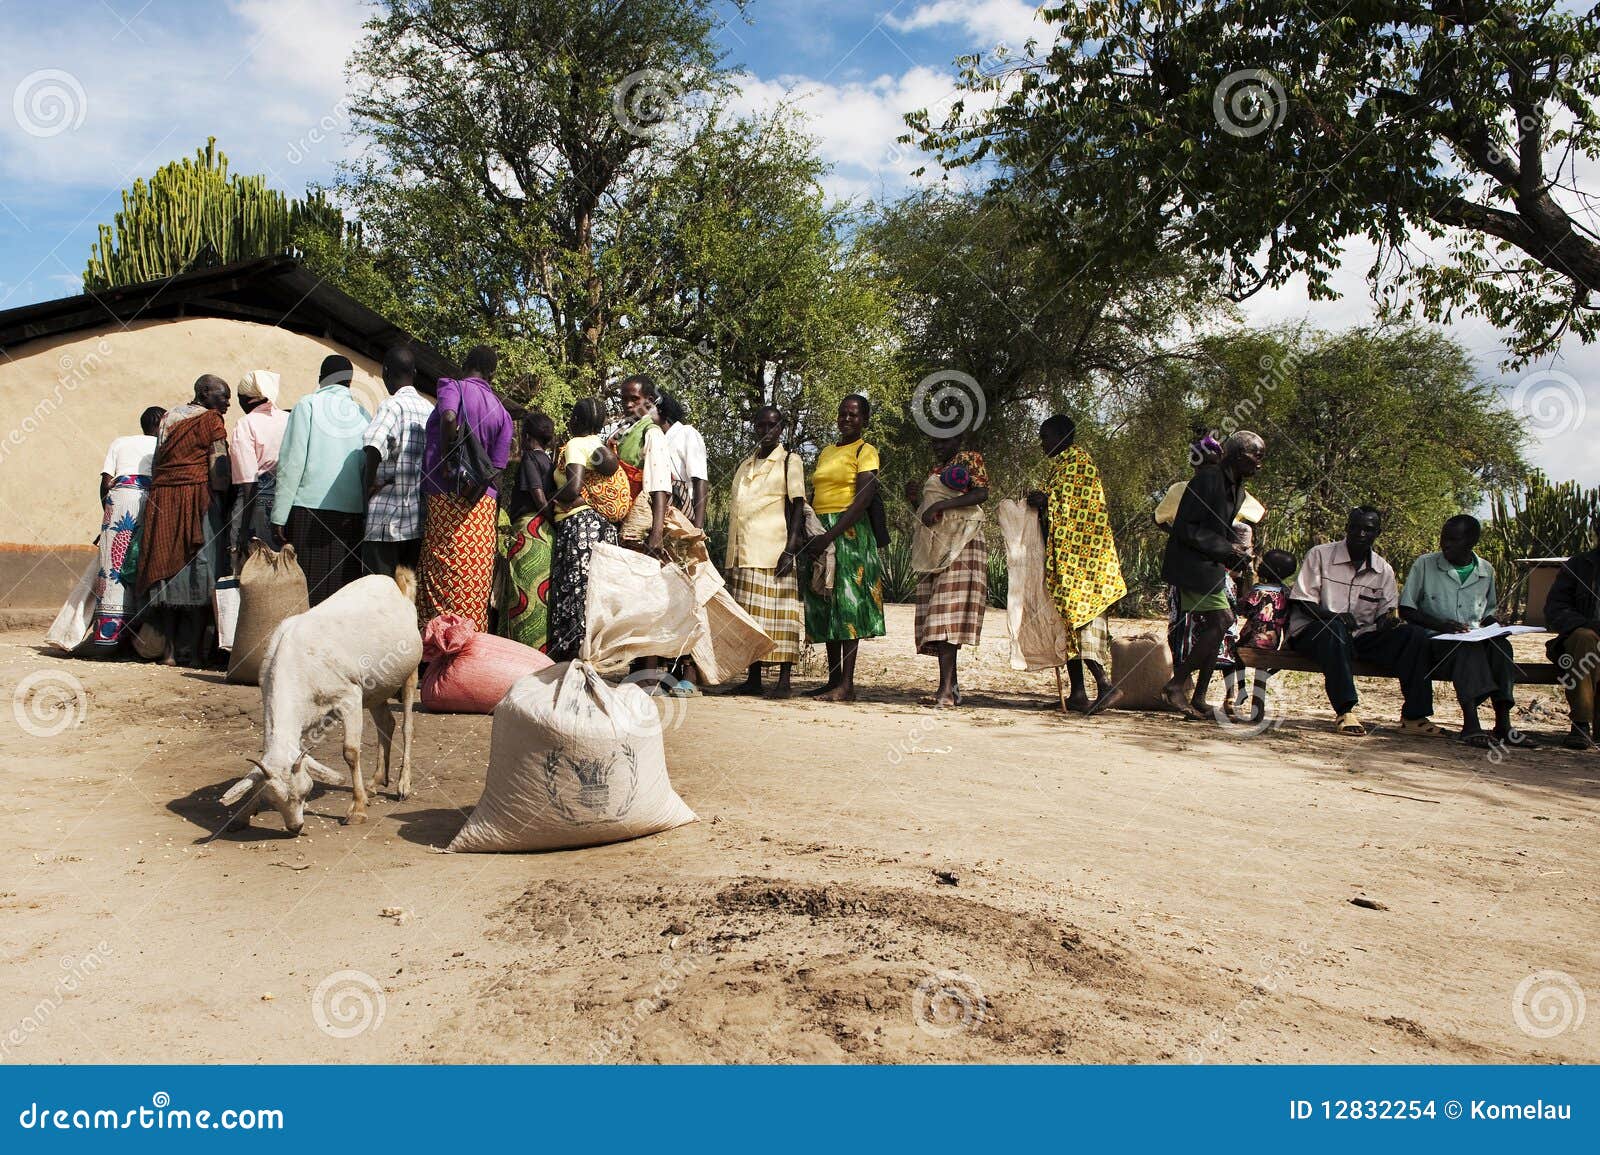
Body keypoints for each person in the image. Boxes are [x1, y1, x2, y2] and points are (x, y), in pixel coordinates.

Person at [1288, 506, 1440, 736]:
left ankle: (1414, 716)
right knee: (1334, 629)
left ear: (1377, 533)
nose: (1361, 534)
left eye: (1368, 530)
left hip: (1359, 638)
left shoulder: (1383, 570)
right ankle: (1345, 710)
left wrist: (1388, 622)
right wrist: (1333, 616)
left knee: (1415, 635)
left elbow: (1385, 613)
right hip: (1316, 633)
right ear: (1347, 528)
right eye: (1355, 528)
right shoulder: (1320, 554)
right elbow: (1302, 602)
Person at [1401, 515, 1535, 749]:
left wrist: (1496, 625)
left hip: (1472, 637)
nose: (1446, 544)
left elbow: (1486, 612)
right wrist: (1440, 625)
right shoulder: (1425, 564)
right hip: (1435, 642)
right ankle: (1471, 725)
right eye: (1444, 538)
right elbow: (1406, 609)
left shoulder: (1485, 570)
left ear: (1471, 542)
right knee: (1466, 649)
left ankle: (1503, 723)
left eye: (1453, 539)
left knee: (1502, 647)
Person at [1159, 430, 1265, 719]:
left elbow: (1218, 526)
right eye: (1256, 455)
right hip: (1191, 564)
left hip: (1212, 564)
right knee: (1223, 620)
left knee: (1218, 626)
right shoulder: (1208, 480)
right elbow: (1186, 527)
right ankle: (1176, 684)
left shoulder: (1237, 487)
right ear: (1236, 454)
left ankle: (1199, 695)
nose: (1259, 462)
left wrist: (1236, 551)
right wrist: (1226, 546)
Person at [1026, 414, 1127, 714]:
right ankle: (1078, 693)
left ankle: (1106, 685)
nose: (1041, 443)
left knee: (1083, 623)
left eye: (1044, 437)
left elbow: (1078, 508)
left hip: (1086, 565)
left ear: (1060, 436)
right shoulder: (1061, 467)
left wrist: (1046, 502)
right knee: (1066, 625)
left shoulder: (1078, 464)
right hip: (1069, 563)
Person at [137, 375, 231, 666]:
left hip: (163, 499)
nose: (227, 402)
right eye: (222, 396)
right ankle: (197, 655)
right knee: (203, 567)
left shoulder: (168, 418)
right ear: (204, 393)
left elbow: (157, 461)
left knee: (164, 565)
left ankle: (169, 653)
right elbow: (219, 467)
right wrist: (224, 498)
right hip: (198, 498)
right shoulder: (212, 421)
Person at [417, 345, 513, 629]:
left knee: (440, 568)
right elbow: (496, 467)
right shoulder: (504, 414)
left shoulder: (452, 387)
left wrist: (450, 461)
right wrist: (474, 488)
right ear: (492, 374)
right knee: (473, 573)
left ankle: (437, 642)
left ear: (465, 363)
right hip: (481, 503)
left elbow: (448, 418)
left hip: (445, 493)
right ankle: (468, 642)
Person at [802, 394, 885, 702]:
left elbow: (863, 497)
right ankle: (832, 679)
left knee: (848, 604)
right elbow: (815, 491)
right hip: (820, 529)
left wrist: (832, 533)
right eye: (842, 414)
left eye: (853, 415)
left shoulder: (866, 451)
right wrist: (811, 530)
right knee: (825, 601)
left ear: (864, 419)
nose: (846, 419)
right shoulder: (825, 452)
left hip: (849, 531)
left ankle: (847, 684)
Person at [271, 355, 372, 606]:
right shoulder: (363, 414)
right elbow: (366, 467)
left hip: (309, 512)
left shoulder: (308, 405)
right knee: (340, 592)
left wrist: (279, 515)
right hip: (351, 516)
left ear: (320, 380)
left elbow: (292, 463)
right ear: (349, 382)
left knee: (306, 592)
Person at [62, 406, 162, 653]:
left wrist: (106, 517)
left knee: (111, 569)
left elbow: (106, 482)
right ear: (161, 423)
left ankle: (106, 639)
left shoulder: (120, 442)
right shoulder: (162, 446)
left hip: (118, 501)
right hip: (147, 501)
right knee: (142, 565)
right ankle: (136, 639)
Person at [725, 405, 807, 699]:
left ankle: (784, 681)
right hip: (743, 551)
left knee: (781, 617)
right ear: (755, 428)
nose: (767, 431)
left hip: (774, 550)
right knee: (750, 619)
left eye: (773, 425)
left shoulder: (790, 461)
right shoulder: (746, 465)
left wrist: (791, 547)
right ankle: (754, 678)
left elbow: (797, 504)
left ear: (781, 428)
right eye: (761, 425)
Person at [906, 431, 989, 708]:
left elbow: (982, 493)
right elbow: (930, 515)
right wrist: (916, 501)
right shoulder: (937, 470)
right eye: (934, 442)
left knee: (947, 615)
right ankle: (950, 689)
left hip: (963, 544)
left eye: (944, 441)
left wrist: (941, 503)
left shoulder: (968, 460)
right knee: (940, 615)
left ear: (958, 440)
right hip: (939, 548)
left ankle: (946, 691)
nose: (937, 446)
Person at [547, 398, 621, 660]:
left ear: (575, 421)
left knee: (575, 591)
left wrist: (551, 499)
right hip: (602, 527)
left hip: (579, 526)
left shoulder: (576, 445)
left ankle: (572, 659)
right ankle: (593, 656)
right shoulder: (599, 446)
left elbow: (574, 486)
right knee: (593, 593)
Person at [361, 345, 431, 578]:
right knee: (405, 594)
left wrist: (366, 487)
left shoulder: (392, 406)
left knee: (379, 594)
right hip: (417, 520)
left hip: (386, 520)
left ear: (386, 372)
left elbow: (373, 445)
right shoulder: (430, 409)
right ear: (415, 373)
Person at [501, 411, 558, 651]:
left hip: (529, 534)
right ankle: (540, 653)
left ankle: (520, 652)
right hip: (546, 536)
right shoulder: (551, 462)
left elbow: (538, 497)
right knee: (541, 596)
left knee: (522, 594)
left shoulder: (529, 460)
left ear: (525, 437)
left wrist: (550, 517)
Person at [1542, 520, 1600, 750]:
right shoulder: (1579, 566)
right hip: (1583, 644)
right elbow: (1555, 610)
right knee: (1585, 638)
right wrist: (1591, 625)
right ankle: (1581, 724)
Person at [1223, 547, 1297, 723]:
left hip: (1251, 639)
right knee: (1266, 664)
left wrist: (1239, 591)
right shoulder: (1287, 593)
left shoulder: (1258, 590)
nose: (1260, 564)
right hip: (1273, 642)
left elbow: (1243, 609)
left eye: (1265, 563)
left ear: (1274, 570)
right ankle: (1259, 681)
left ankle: (1240, 689)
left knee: (1231, 654)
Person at [227, 369, 288, 567]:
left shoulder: (246, 424)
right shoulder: (288, 419)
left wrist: (243, 531)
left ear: (247, 398)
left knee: (251, 568)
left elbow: (248, 482)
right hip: (287, 502)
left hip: (256, 504)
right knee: (281, 565)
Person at [612, 373, 673, 555]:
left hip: (637, 522)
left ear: (650, 400)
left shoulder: (652, 433)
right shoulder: (624, 431)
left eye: (634, 399)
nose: (628, 405)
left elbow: (659, 485)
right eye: (624, 399)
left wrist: (656, 533)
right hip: (619, 516)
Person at [656, 389, 708, 527]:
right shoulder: (653, 438)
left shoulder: (686, 433)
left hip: (683, 512)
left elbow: (699, 479)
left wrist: (697, 528)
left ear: (660, 410)